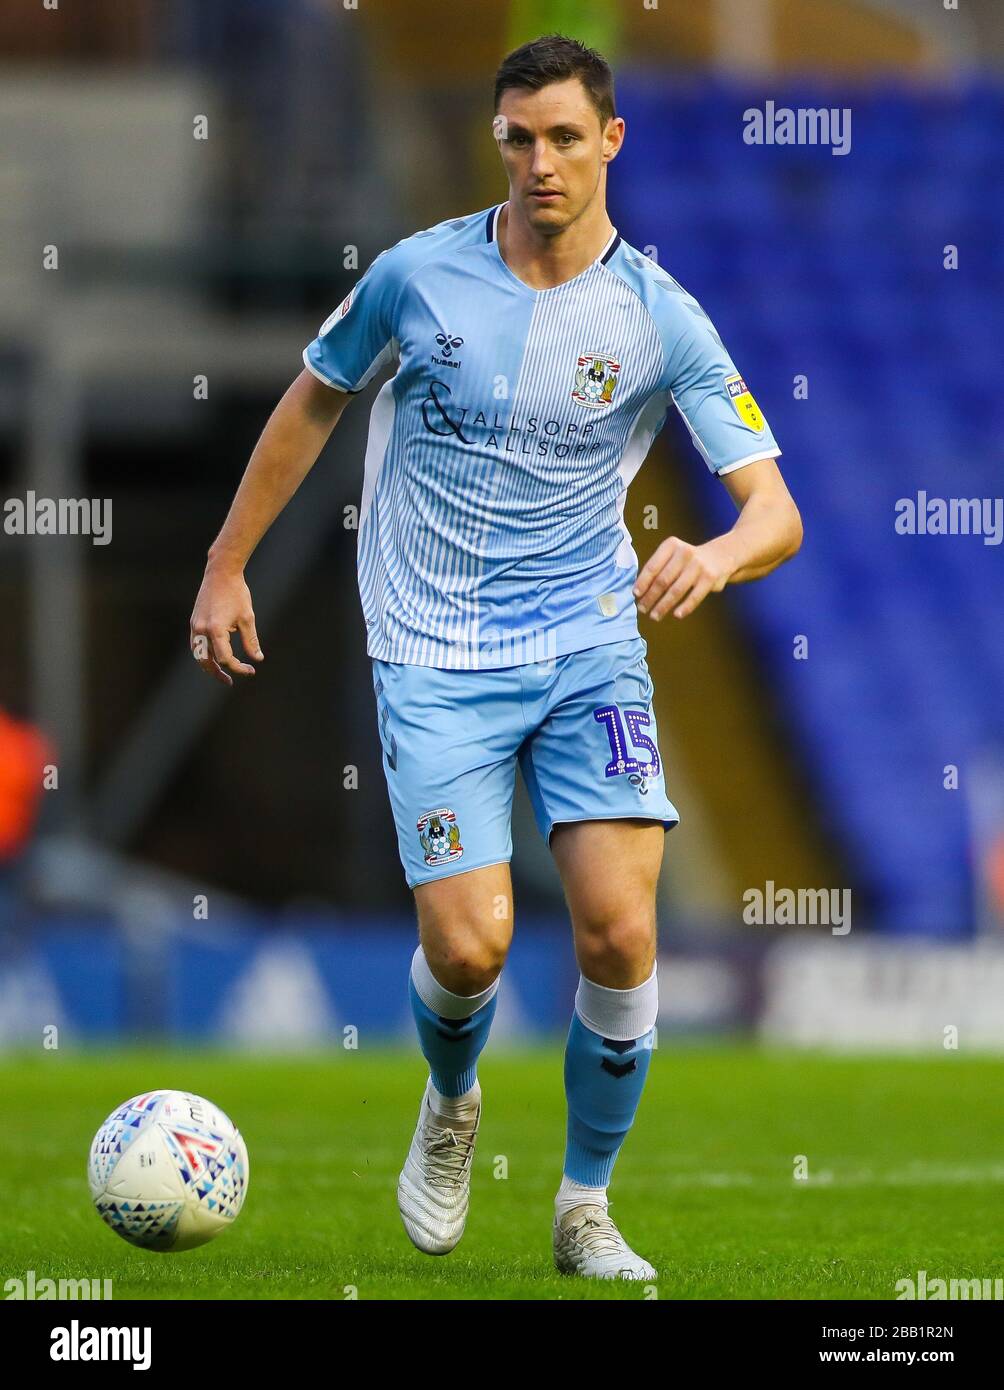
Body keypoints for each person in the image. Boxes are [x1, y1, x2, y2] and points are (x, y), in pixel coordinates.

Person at [189, 34, 802, 1280]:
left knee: (621, 936)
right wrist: (222, 562)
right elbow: (313, 397)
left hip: (586, 640)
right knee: (467, 947)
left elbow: (774, 511)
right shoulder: (416, 276)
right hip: (432, 646)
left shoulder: (657, 315)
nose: (539, 163)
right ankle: (451, 1100)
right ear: (496, 143)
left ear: (609, 142)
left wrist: (716, 554)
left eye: (564, 137)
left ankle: (583, 1206)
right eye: (517, 138)